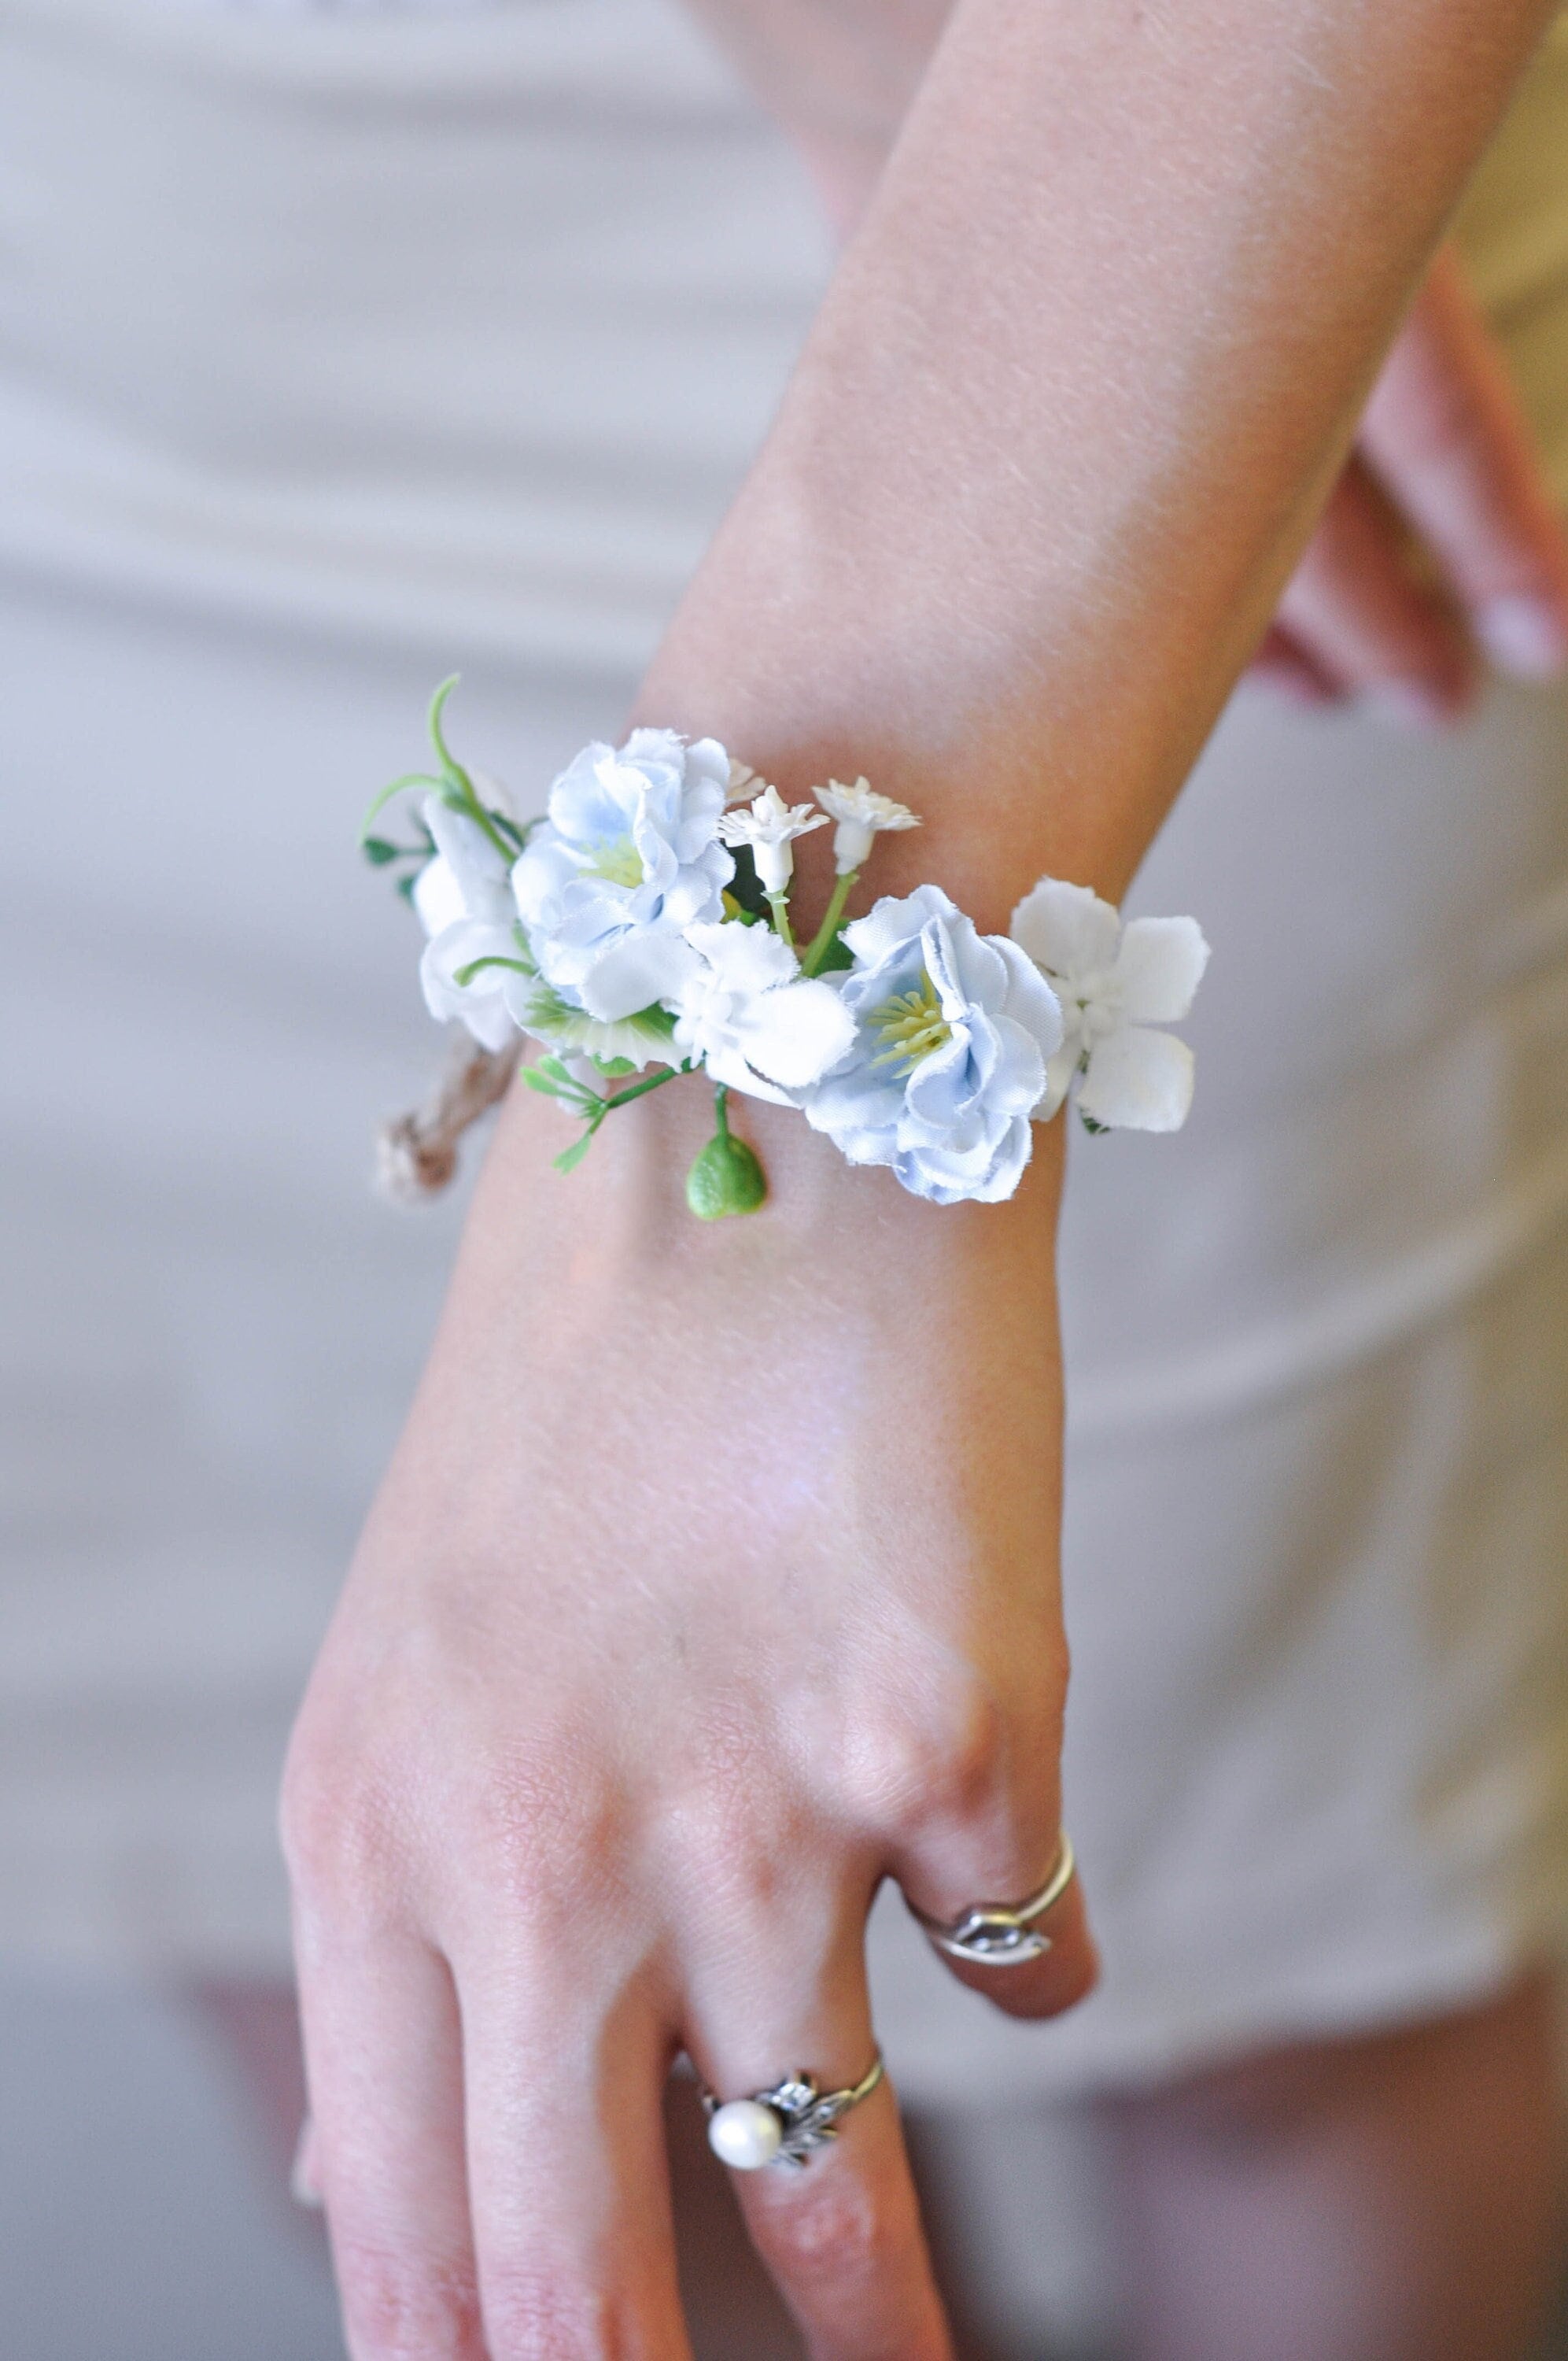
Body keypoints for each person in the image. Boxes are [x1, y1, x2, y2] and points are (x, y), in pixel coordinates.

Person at [7, 2, 1568, 2356]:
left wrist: (720, 1160)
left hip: (1091, 246)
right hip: (78, 403)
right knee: (499, 2016)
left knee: (1278, 1964)